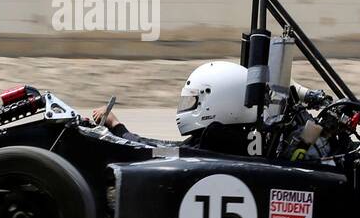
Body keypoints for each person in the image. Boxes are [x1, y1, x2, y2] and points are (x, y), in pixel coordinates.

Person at [91, 61, 259, 151]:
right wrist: (112, 131)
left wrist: (116, 126)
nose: (187, 106)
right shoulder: (238, 138)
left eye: (193, 101)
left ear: (221, 100)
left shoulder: (217, 138)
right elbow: (171, 148)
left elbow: (154, 151)